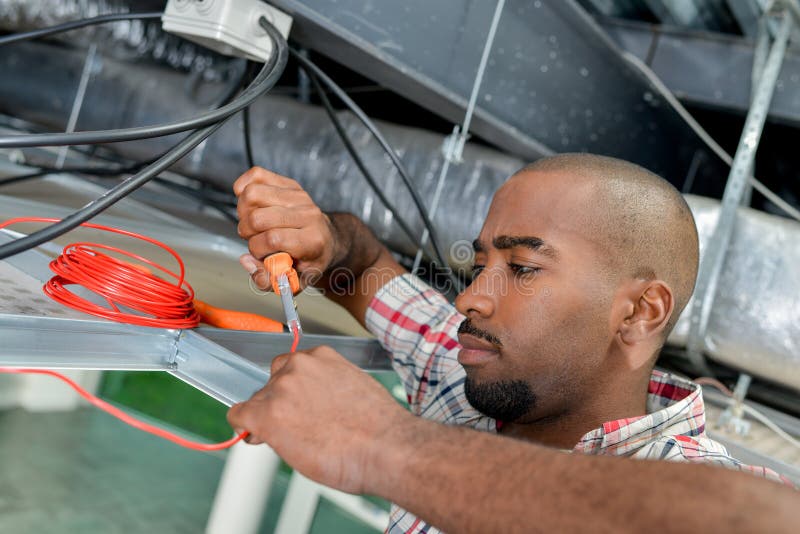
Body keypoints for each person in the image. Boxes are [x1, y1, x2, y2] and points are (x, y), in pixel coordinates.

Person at [228, 154, 795, 533]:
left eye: (521, 268)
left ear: (640, 313)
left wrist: (381, 443)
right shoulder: (466, 385)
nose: (470, 298)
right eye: (480, 264)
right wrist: (323, 241)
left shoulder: (695, 477)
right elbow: (365, 265)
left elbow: (747, 521)